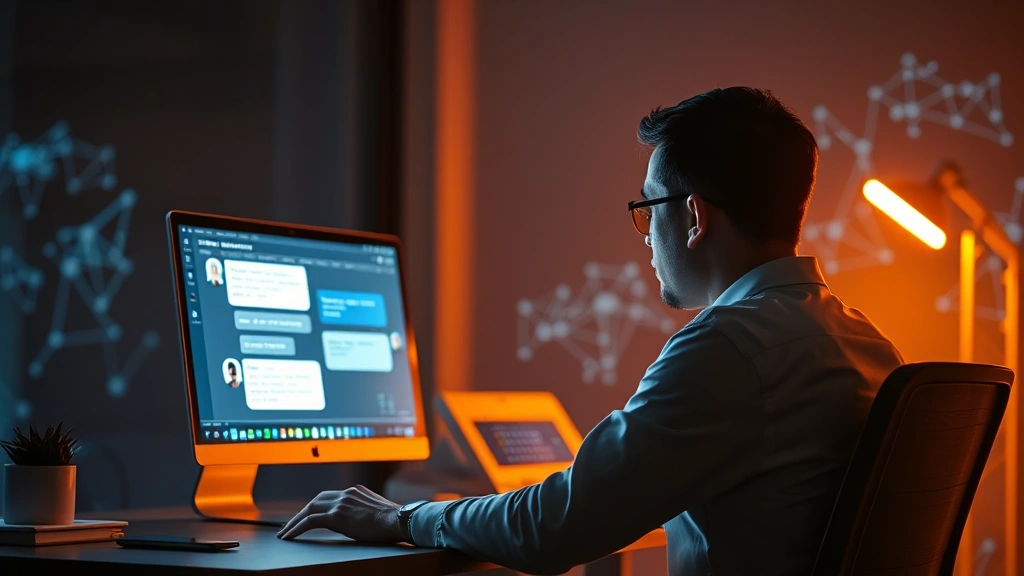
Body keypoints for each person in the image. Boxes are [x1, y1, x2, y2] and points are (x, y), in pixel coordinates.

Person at [276, 87, 904, 575]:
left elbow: (555, 528)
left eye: (646, 206)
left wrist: (404, 517)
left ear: (692, 216)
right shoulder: (867, 343)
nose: (644, 236)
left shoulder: (729, 349)